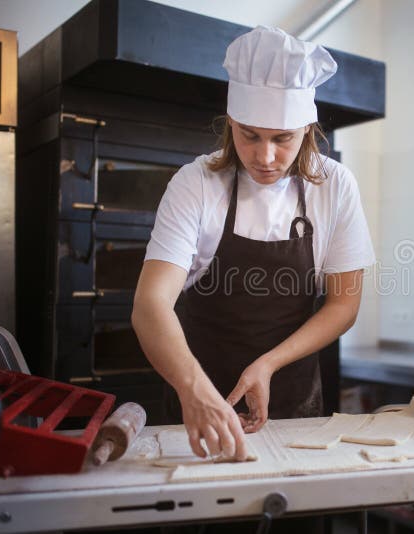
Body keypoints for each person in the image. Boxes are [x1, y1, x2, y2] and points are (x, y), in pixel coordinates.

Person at [131, 26, 375, 462]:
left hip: (296, 411)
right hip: (200, 405)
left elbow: (344, 305)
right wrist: (194, 389)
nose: (265, 157)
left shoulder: (335, 186)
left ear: (306, 128)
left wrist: (268, 364)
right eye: (249, 135)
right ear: (230, 124)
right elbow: (151, 304)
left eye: (282, 138)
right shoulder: (196, 184)